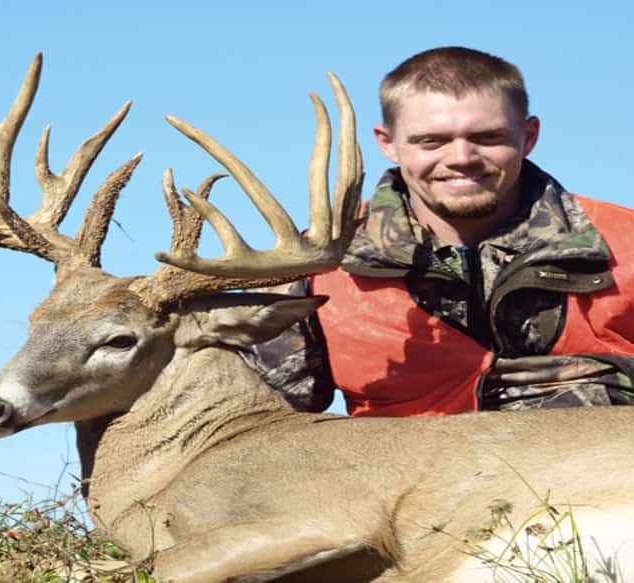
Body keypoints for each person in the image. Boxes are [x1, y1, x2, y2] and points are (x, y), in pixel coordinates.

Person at [243, 46, 634, 416]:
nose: (461, 158)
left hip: (598, 462)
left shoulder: (624, 240)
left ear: (528, 136)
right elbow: (255, 414)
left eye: (488, 137)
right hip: (402, 464)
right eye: (431, 141)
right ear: (387, 143)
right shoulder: (320, 268)